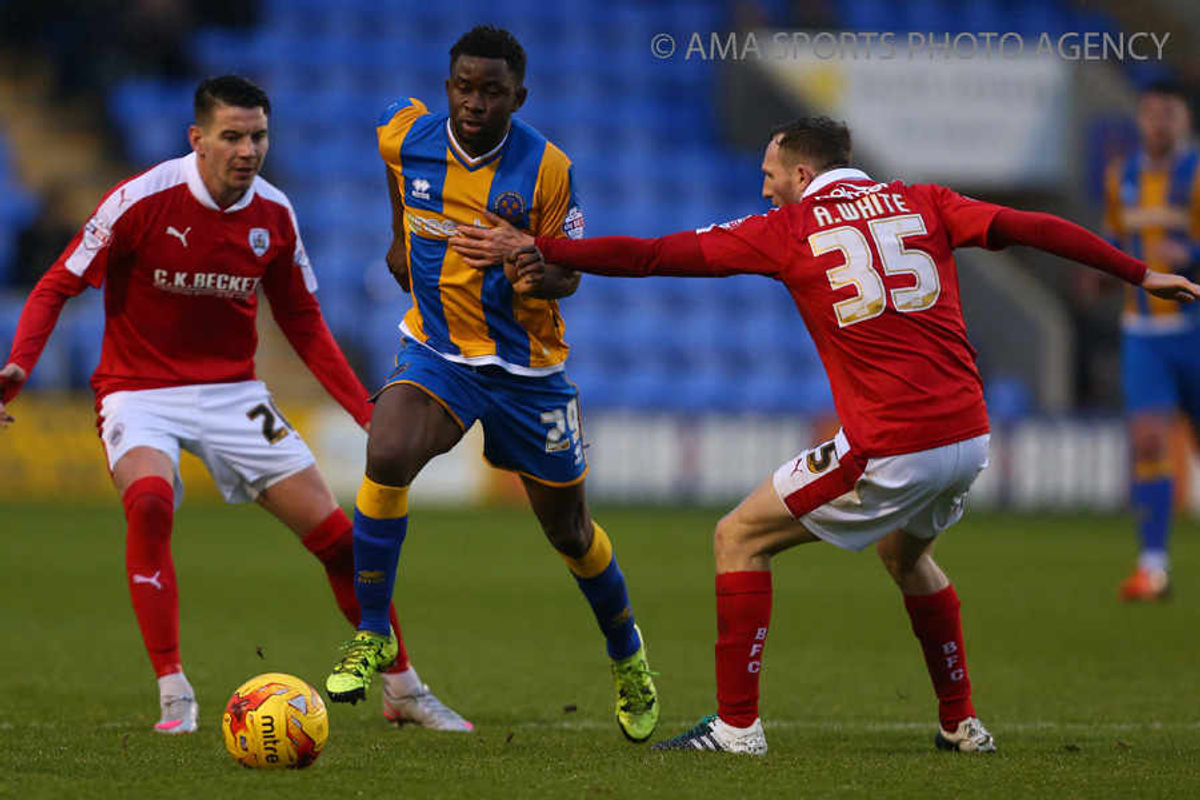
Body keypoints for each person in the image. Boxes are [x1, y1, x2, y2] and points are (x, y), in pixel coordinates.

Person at [459, 117, 1200, 755]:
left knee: (737, 537)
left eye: (770, 173)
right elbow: (1028, 227)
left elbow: (655, 256)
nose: (763, 188)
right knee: (906, 558)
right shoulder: (923, 200)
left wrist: (545, 246)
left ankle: (737, 730)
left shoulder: (790, 228)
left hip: (894, 444)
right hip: (970, 437)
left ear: (804, 172)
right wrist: (1139, 272)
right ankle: (961, 723)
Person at [0, 75, 469, 734]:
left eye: (258, 136)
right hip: (139, 391)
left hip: (233, 394)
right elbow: (56, 285)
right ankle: (174, 692)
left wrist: (367, 410)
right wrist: (17, 371)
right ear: (198, 139)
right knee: (152, 503)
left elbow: (304, 322)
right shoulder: (141, 200)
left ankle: (404, 688)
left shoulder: (273, 213)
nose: (248, 150)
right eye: (232, 136)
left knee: (341, 543)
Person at [321, 26, 659, 743]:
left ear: (519, 96)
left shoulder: (547, 168)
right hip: (439, 351)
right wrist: (395, 233)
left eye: (491, 91)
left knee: (569, 532)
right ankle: (375, 631)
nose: (474, 103)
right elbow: (396, 175)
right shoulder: (404, 134)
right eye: (464, 88)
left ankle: (627, 654)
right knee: (385, 453)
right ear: (448, 87)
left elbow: (569, 269)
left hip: (528, 372)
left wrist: (535, 267)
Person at [1102, 80, 1200, 601]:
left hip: (1196, 330)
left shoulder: (1198, 174)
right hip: (1143, 333)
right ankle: (1152, 567)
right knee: (1148, 439)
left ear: (1184, 120)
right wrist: (1100, 269)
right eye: (1150, 113)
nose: (1159, 122)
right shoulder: (1122, 176)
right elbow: (1117, 239)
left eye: (1169, 113)